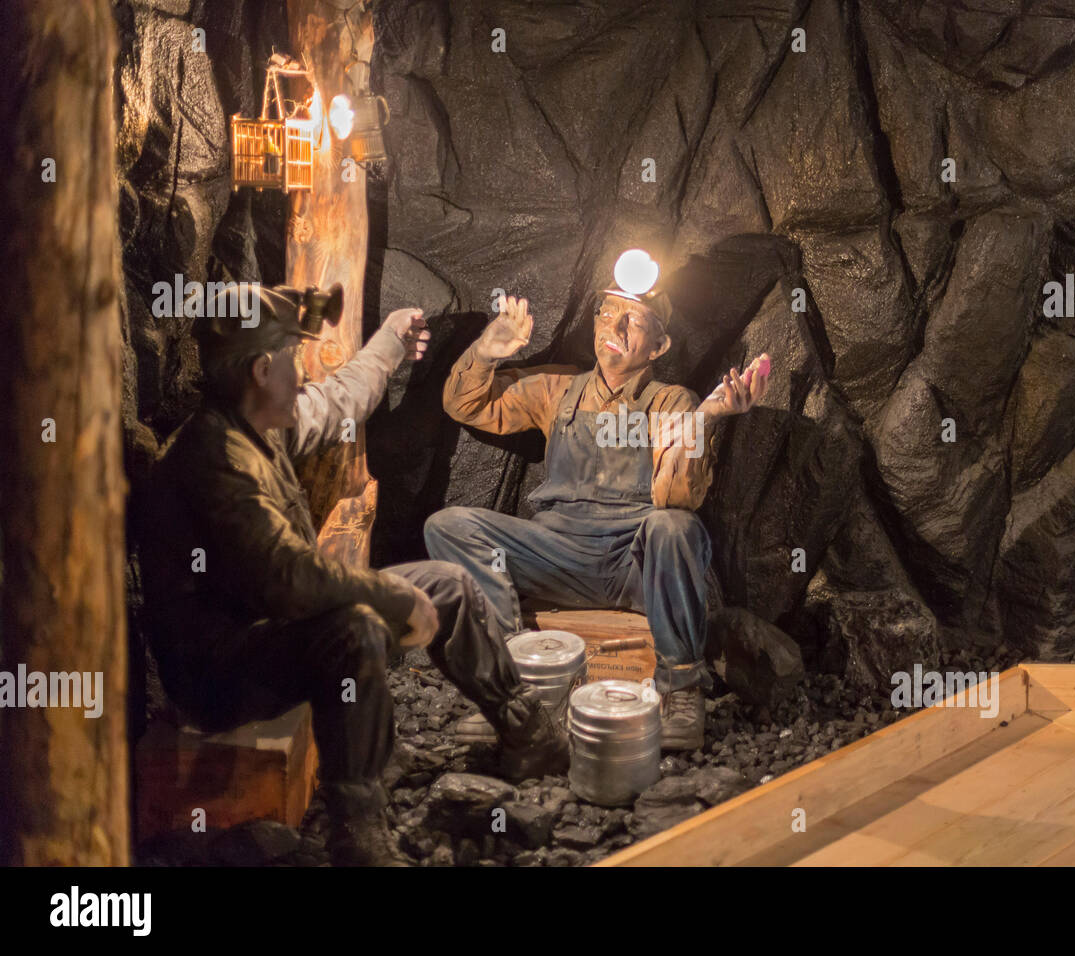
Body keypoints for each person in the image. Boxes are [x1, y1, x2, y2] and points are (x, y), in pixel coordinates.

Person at [140, 284, 567, 867]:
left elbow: (340, 397)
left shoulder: (260, 424)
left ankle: (525, 732)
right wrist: (390, 595)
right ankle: (359, 833)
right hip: (220, 673)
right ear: (264, 369)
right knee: (355, 629)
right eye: (291, 358)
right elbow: (286, 577)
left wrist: (390, 342)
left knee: (447, 584)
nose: (299, 371)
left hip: (273, 632)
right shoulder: (215, 459)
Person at [425, 260, 770, 751]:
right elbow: (468, 405)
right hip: (556, 552)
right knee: (449, 525)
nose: (616, 327)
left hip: (634, 561)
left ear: (659, 345)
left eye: (634, 321)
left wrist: (708, 417)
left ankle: (681, 692)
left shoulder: (671, 402)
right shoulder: (556, 389)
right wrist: (485, 352)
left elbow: (679, 499)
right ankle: (506, 694)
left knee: (674, 527)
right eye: (608, 314)